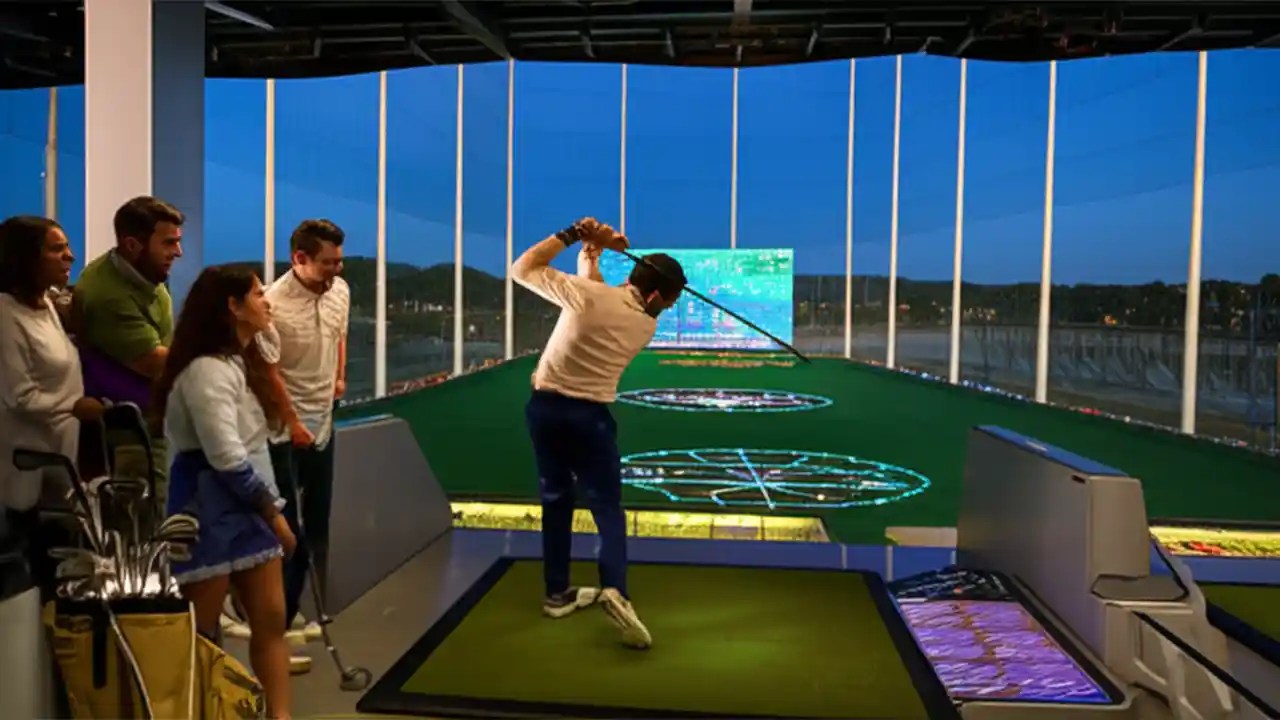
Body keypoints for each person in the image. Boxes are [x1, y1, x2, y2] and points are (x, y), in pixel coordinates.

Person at [511, 217, 686, 650]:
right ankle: (615, 589)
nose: (666, 307)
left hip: (545, 410)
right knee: (607, 507)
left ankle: (556, 594)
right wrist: (591, 250)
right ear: (653, 296)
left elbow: (525, 270)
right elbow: (601, 296)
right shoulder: (646, 324)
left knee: (555, 499)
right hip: (590, 419)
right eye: (669, 300)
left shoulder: (589, 298)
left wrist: (578, 236)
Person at [152, 265, 295, 720]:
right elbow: (225, 458)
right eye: (256, 294)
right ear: (232, 307)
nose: (266, 300)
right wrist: (275, 515)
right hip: (205, 507)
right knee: (201, 635)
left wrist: (267, 510)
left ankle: (281, 715)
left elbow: (248, 451)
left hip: (247, 502)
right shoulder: (204, 372)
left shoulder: (236, 361)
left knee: (271, 621)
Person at [226, 218, 348, 672]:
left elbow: (339, 334)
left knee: (318, 520)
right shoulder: (273, 303)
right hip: (283, 427)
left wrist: (339, 375)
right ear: (300, 259)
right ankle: (281, 614)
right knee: (287, 526)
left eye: (339, 260)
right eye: (327, 262)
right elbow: (269, 371)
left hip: (324, 422)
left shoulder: (341, 290)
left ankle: (299, 609)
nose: (335, 269)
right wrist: (294, 420)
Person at [0, 216, 105, 596]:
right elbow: (19, 396)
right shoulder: (5, 314)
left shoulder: (45, 303)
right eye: (57, 248)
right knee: (23, 584)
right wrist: (76, 406)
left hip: (59, 462)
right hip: (20, 470)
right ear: (26, 257)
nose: (70, 256)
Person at [71, 196, 184, 512]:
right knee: (140, 527)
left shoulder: (145, 273)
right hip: (129, 432)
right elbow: (154, 363)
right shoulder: (108, 295)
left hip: (152, 418)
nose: (178, 252)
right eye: (169, 243)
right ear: (133, 245)